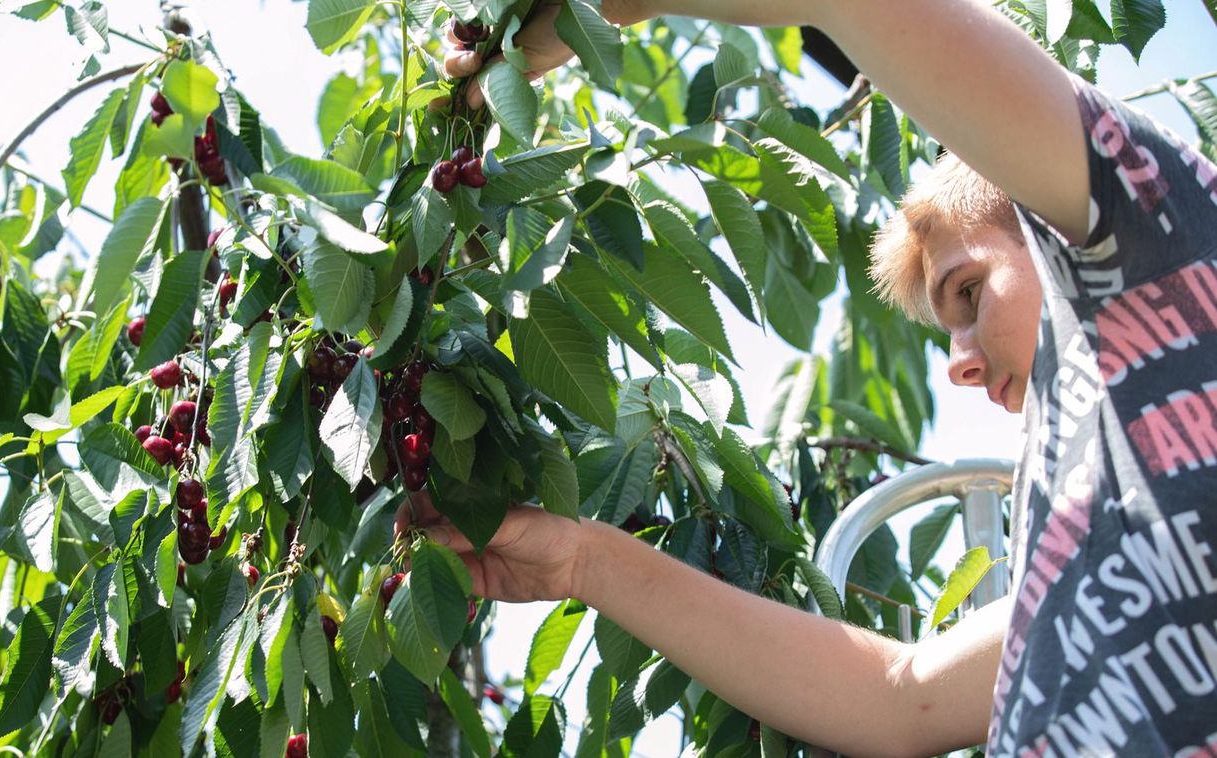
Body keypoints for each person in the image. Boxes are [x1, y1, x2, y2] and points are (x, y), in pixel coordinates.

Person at [398, 0, 1217, 754]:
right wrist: (581, 562)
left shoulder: (1166, 236)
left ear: (1057, 238)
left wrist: (601, 9)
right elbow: (898, 697)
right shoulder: (1095, 545)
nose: (961, 358)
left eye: (968, 291)